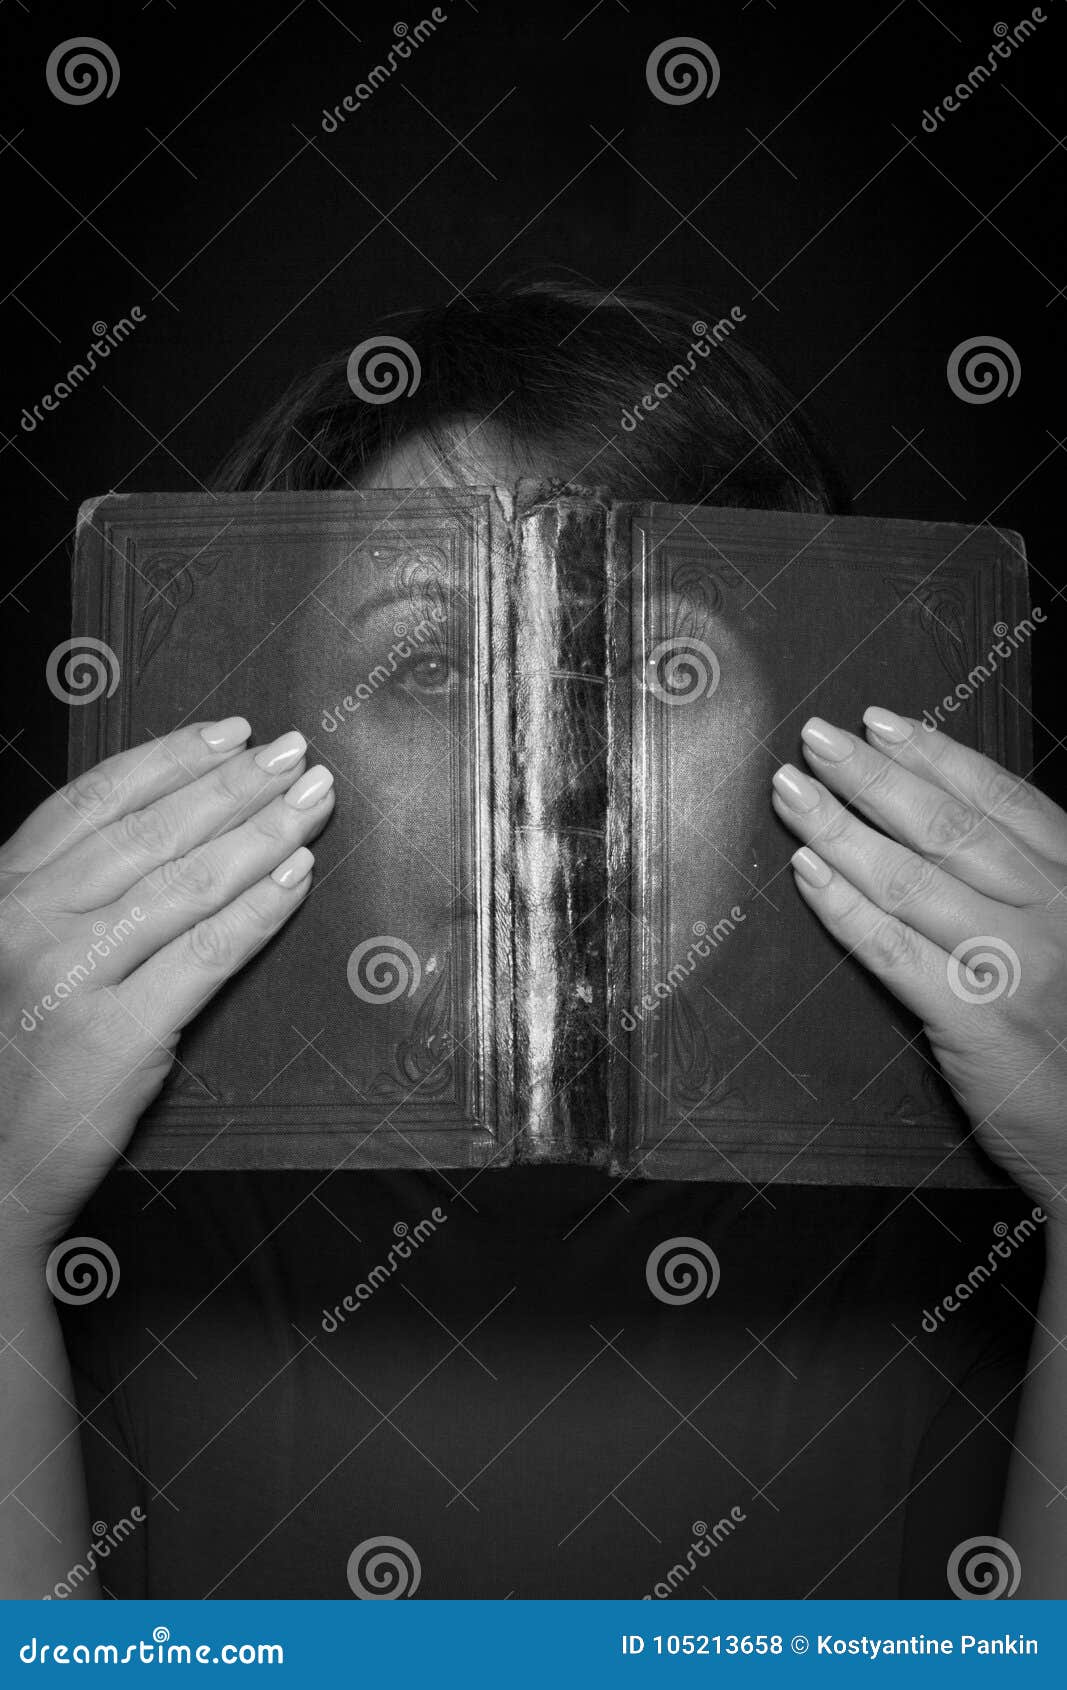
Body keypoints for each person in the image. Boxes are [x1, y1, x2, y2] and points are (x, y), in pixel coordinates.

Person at [1, 281, 1063, 1600]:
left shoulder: (980, 1251)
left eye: (665, 667)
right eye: (430, 667)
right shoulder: (102, 1243)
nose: (552, 773)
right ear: (282, 741)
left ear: (792, 733)